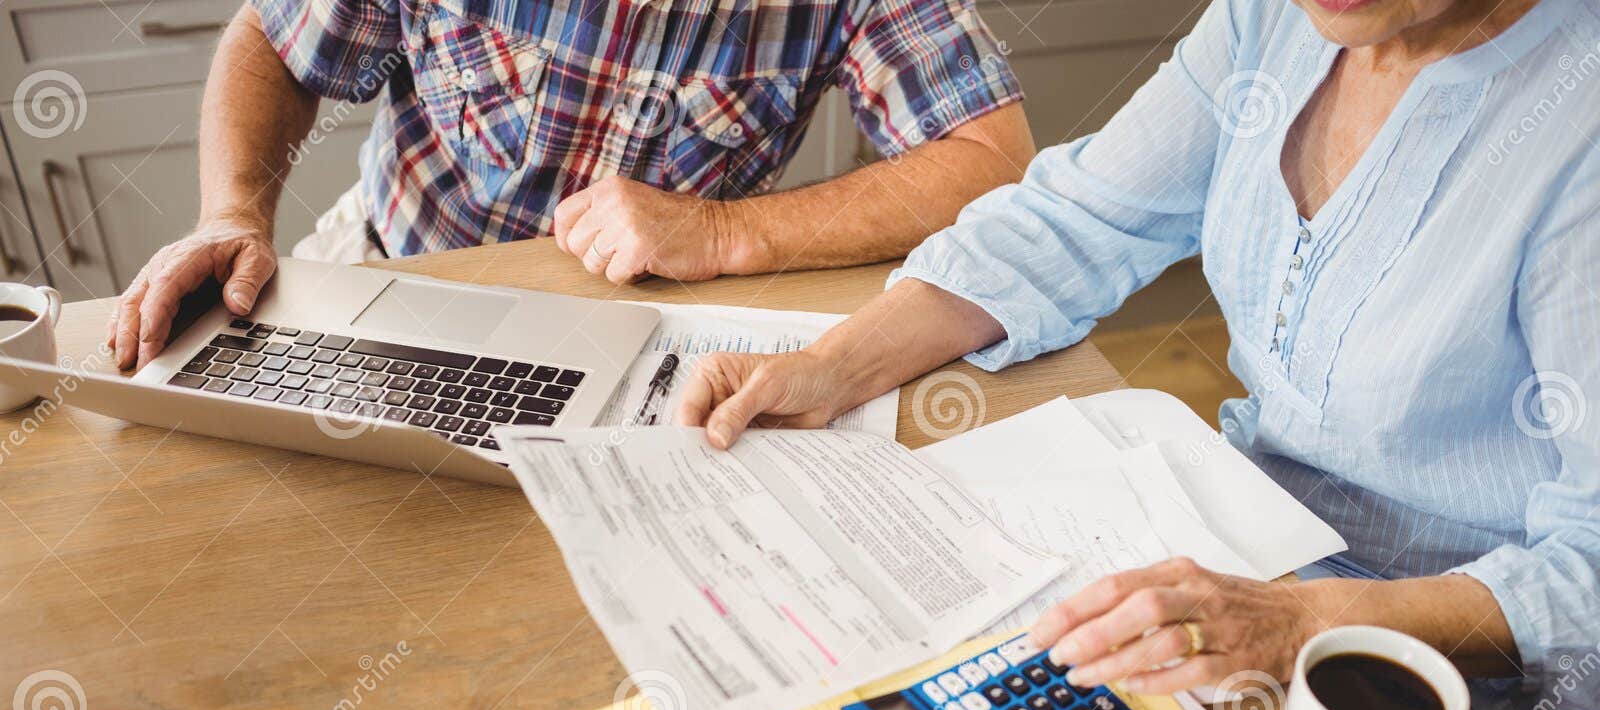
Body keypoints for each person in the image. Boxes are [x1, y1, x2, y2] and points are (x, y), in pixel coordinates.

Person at [679, 0, 1600, 710]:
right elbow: (1080, 218)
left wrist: (1296, 623)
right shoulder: (1272, 20)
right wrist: (833, 364)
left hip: (1425, 693)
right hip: (1234, 565)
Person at [109, 0, 1033, 371]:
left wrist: (722, 233)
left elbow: (993, 155)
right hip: (392, 281)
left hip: (657, 332)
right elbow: (275, 44)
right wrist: (231, 210)